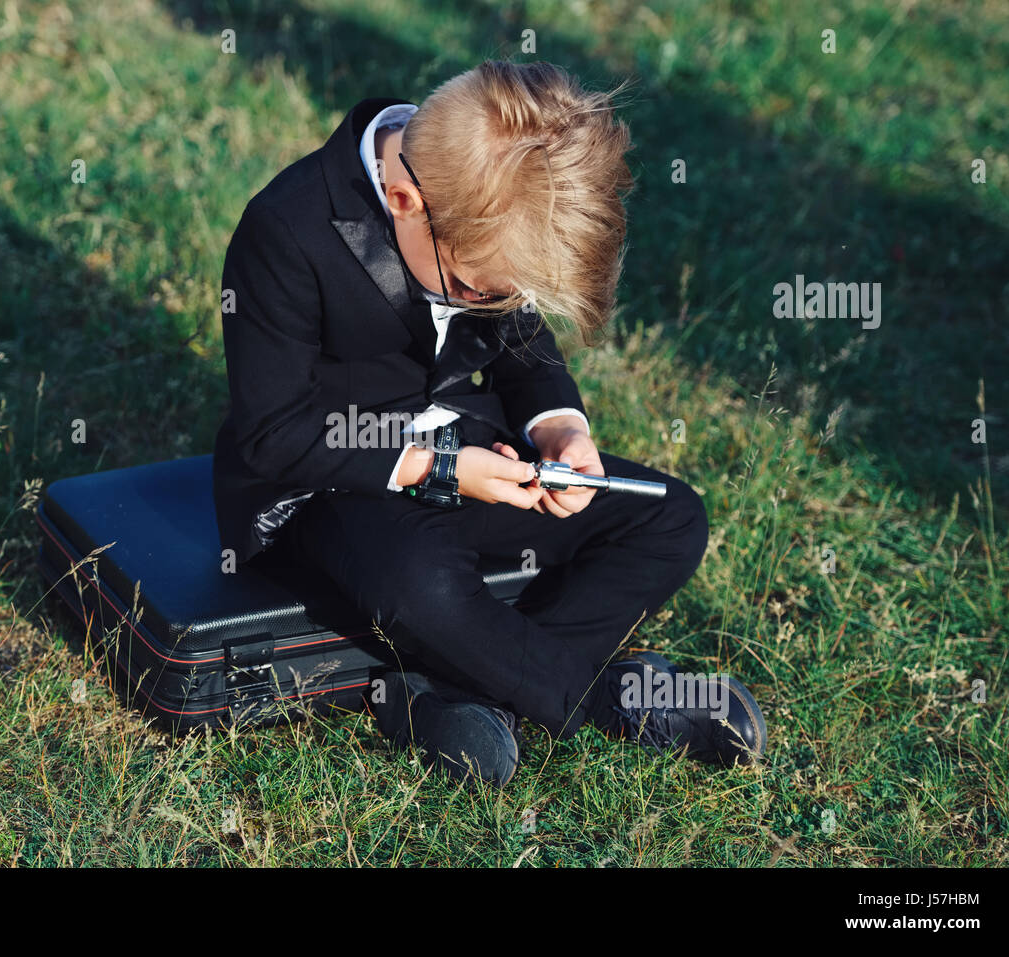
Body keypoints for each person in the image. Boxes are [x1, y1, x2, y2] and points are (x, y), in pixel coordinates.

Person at [213, 60, 765, 787]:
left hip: (464, 457)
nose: (495, 302)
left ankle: (457, 696)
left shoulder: (485, 202)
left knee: (669, 518)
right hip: (319, 493)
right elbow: (273, 434)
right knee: (421, 584)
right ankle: (611, 704)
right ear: (408, 201)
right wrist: (436, 464)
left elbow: (525, 354)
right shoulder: (284, 231)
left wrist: (561, 429)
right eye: (482, 289)